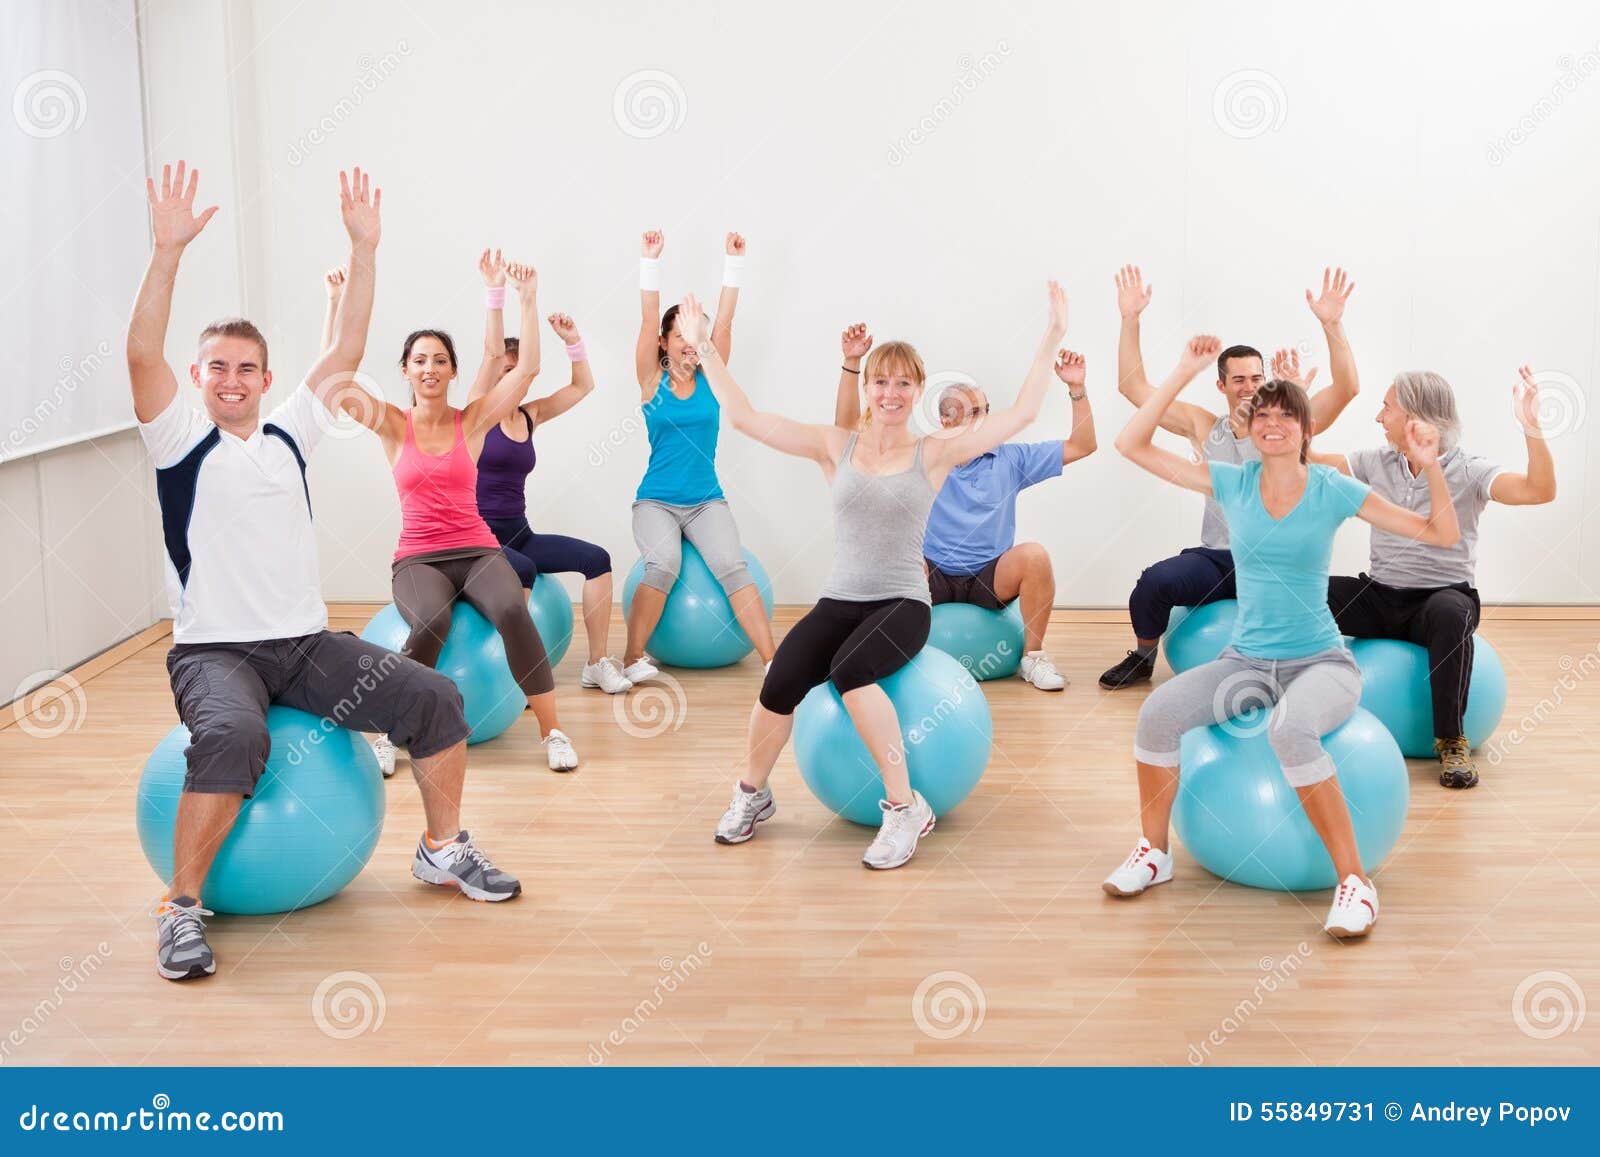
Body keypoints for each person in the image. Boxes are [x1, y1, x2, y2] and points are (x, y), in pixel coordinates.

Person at [129, 163, 521, 982]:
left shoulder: (288, 433)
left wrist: (364, 248)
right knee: (238, 736)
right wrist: (166, 253)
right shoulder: (175, 442)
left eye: (246, 369)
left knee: (436, 696)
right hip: (216, 653)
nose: (232, 380)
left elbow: (345, 348)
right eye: (217, 368)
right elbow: (140, 352)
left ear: (266, 381)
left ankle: (441, 849)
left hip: (305, 647)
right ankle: (181, 906)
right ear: (198, 379)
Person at [1102, 336, 1461, 939]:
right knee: (1156, 715)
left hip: (1320, 663)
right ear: (1250, 425)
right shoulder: (1232, 484)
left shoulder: (1331, 488)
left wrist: (1429, 466)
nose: (1271, 423)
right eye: (1261, 414)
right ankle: (1154, 852)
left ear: (1304, 428)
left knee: (1290, 728)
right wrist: (1183, 369)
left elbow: (1439, 533)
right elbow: (1130, 443)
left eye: (1284, 414)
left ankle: (1355, 882)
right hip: (1245, 661)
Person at [702, 282, 1070, 868]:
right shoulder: (835, 444)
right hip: (840, 598)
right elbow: (744, 418)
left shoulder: (935, 451)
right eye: (881, 380)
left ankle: (904, 808)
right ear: (865, 387)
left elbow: (1023, 413)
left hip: (902, 601)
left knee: (850, 673)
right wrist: (706, 350)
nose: (891, 392)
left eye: (904, 382)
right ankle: (753, 794)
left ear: (918, 391)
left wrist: (1052, 333)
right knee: (780, 682)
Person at [356, 250, 580, 776]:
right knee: (432, 619)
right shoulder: (391, 424)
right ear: (406, 370)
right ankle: (389, 731)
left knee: (512, 611)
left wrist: (517, 297)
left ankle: (552, 731)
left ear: (454, 371)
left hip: (476, 548)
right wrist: (340, 297)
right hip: (418, 560)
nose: (429, 368)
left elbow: (524, 367)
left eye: (439, 360)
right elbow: (340, 382)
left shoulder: (473, 421)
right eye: (419, 360)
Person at [1098, 266, 1363, 689]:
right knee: (1153, 584)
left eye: (1256, 378)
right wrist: (1131, 319)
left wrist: (1332, 324)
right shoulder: (1205, 426)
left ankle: (1310, 669)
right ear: (1221, 384)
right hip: (1219, 558)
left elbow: (1347, 388)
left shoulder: (1288, 425)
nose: (1248, 387)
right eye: (1237, 379)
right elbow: (1133, 388)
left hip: (1276, 560)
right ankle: (1143, 657)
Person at [1316, 366, 1557, 788]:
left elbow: (1539, 491)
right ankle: (1288, 707)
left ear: (1413, 417)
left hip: (1438, 601)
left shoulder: (1471, 470)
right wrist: (1285, 408)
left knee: (1450, 611)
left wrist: (1532, 428)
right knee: (1307, 590)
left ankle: (1451, 741)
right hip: (1380, 596)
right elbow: (1311, 460)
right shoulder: (1376, 461)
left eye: (1386, 407)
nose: (1378, 417)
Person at [834, 325, 1096, 690]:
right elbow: (848, 436)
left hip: (990, 577)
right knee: (893, 558)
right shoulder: (923, 456)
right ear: (946, 420)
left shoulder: (1010, 458)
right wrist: (851, 363)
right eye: (971, 413)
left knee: (1035, 556)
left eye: (984, 411)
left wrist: (1076, 389)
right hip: (932, 576)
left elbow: (1083, 445)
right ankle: (885, 655)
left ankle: (1033, 658)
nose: (982, 420)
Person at [624, 230, 775, 683]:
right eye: (681, 337)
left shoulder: (713, 375)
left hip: (706, 499)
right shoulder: (652, 379)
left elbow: (726, 321)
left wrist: (734, 263)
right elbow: (648, 318)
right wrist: (650, 262)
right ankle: (631, 659)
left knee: (732, 565)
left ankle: (774, 661)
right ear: (665, 343)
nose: (691, 344)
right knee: (663, 563)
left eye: (696, 337)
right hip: (656, 501)